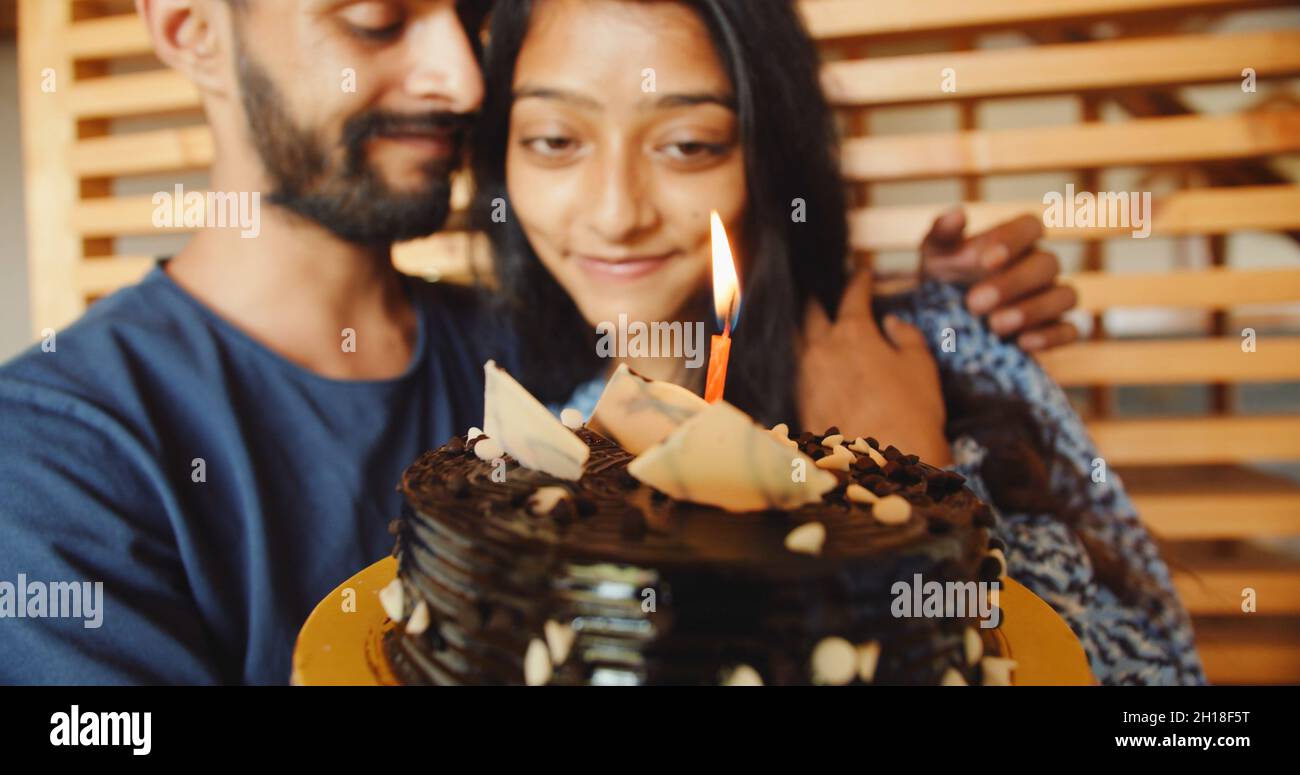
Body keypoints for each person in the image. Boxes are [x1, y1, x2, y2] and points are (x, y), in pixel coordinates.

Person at [0, 0, 1076, 685]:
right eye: (377, 21)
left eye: (466, 20)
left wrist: (936, 341)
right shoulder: (57, 451)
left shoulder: (557, 354)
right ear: (190, 26)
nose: (465, 82)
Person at [470, 0, 1204, 684]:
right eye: (555, 140)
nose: (615, 211)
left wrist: (908, 486)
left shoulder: (930, 353)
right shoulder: (541, 451)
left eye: (689, 144)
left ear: (770, 159)